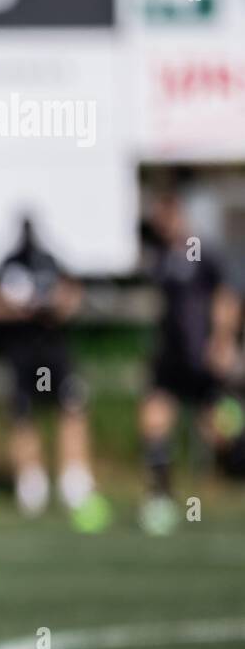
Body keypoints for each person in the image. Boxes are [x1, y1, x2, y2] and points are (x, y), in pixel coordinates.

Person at [138, 186, 241, 535]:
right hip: (170, 358)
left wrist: (222, 341)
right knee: (154, 422)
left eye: (167, 217)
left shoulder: (201, 252)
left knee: (219, 432)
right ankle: (161, 498)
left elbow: (226, 296)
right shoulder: (159, 256)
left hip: (202, 358)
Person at [0, 215, 95, 516]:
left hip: (55, 353)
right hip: (21, 354)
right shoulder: (8, 264)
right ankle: (31, 485)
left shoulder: (51, 262)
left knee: (71, 408)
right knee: (22, 414)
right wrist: (18, 309)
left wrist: (56, 305)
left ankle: (75, 483)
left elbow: (74, 296)